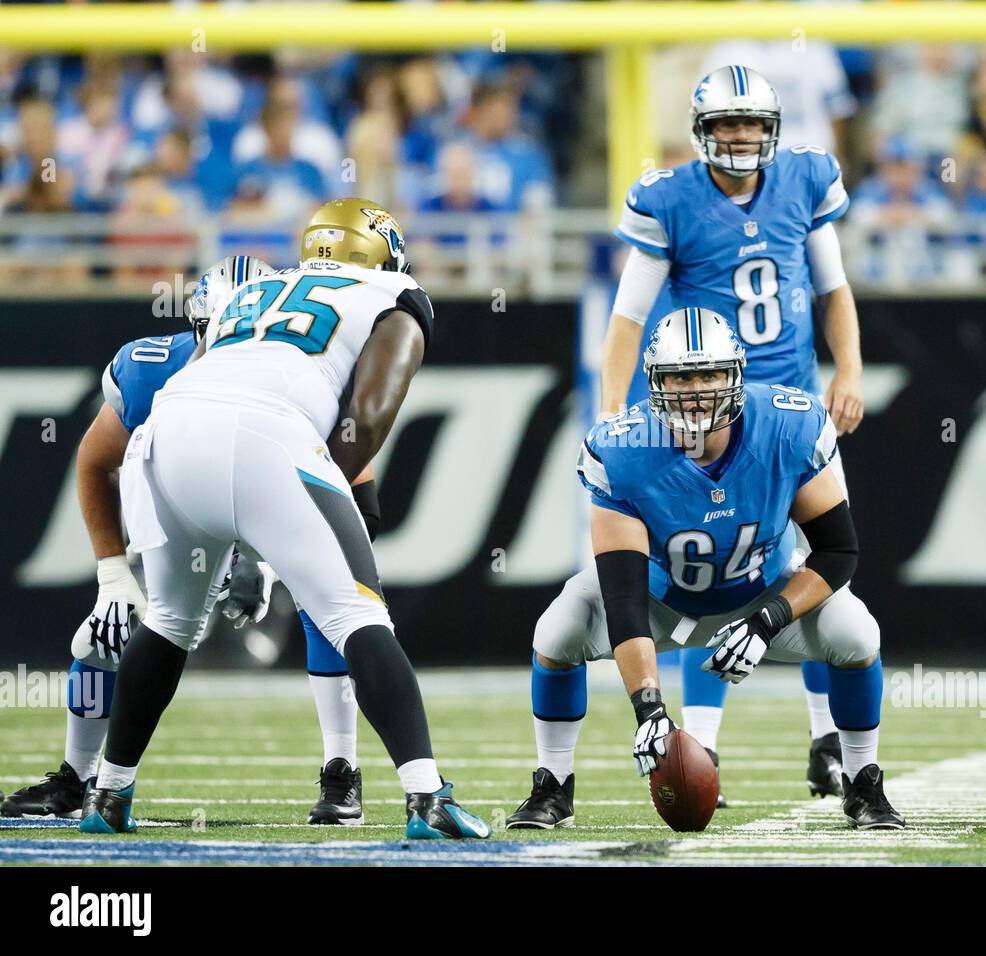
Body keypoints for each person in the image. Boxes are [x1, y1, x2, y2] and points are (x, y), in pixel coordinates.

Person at [78, 200, 490, 840]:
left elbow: (210, 372)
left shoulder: (258, 287)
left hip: (167, 432)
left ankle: (107, 794)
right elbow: (367, 416)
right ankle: (427, 798)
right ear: (383, 255)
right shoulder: (396, 295)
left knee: (168, 621)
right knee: (358, 617)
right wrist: (293, 518)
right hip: (270, 435)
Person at [507, 308, 903, 831]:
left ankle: (863, 783)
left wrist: (769, 620)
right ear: (655, 383)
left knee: (857, 632)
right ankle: (553, 786)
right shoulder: (622, 451)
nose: (696, 391)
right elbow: (622, 596)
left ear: (735, 374)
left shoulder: (786, 426)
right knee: (558, 630)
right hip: (659, 602)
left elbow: (838, 551)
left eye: (710, 374)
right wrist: (649, 707)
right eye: (680, 378)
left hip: (763, 591)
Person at [598, 65, 866, 801]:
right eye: (726, 124)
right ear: (702, 132)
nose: (741, 136)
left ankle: (827, 741)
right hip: (704, 408)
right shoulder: (669, 198)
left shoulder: (805, 180)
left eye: (752, 123)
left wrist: (849, 368)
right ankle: (703, 744)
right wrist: (611, 410)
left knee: (815, 569)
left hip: (788, 411)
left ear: (772, 128)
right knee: (709, 570)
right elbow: (627, 316)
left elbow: (833, 288)